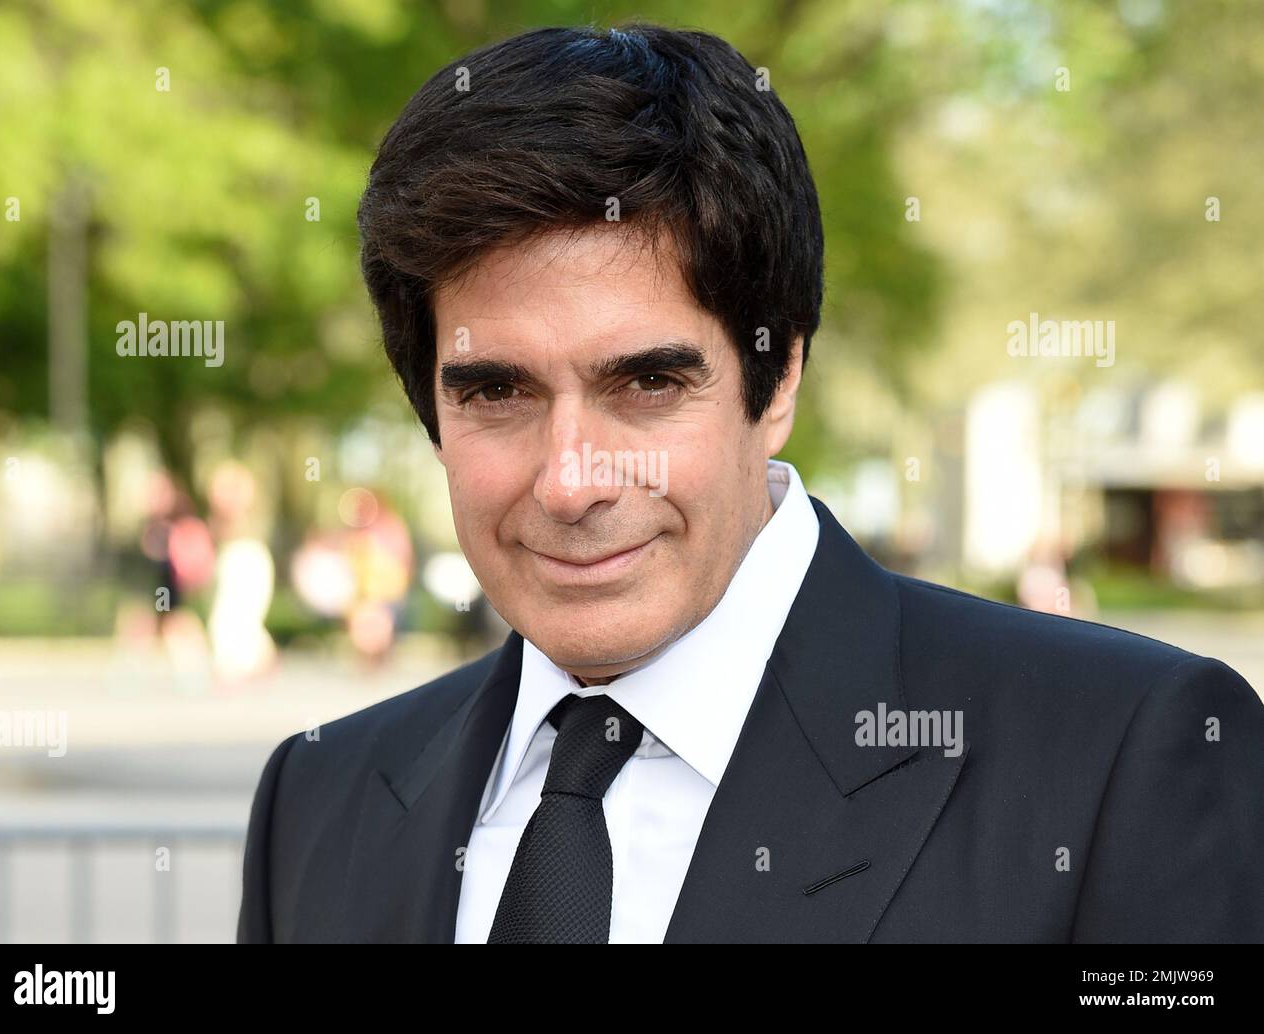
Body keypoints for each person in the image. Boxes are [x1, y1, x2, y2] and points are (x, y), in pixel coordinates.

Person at [237, 23, 1264, 943]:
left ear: (776, 382)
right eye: (496, 392)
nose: (571, 480)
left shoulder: (1118, 759)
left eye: (644, 382)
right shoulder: (319, 800)